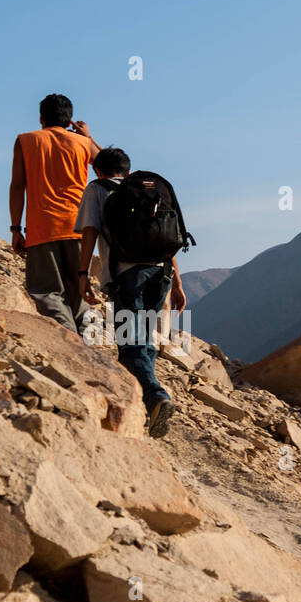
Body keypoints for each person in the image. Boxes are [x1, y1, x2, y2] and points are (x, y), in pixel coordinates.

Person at [75, 146, 187, 439]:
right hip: (161, 273)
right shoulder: (149, 190)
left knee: (130, 343)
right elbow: (169, 237)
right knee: (145, 341)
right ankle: (149, 405)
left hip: (126, 275)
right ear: (127, 170)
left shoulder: (97, 189)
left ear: (98, 170)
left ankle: (155, 395)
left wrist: (83, 273)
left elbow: (89, 231)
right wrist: (177, 282)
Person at [9, 93, 99, 332]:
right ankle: (87, 353)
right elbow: (108, 170)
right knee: (79, 297)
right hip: (80, 229)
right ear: (69, 121)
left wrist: (16, 229)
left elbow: (17, 186)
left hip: (42, 229)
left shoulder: (26, 141)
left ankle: (70, 346)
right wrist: (88, 137)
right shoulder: (82, 143)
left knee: (47, 293)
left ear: (41, 118)